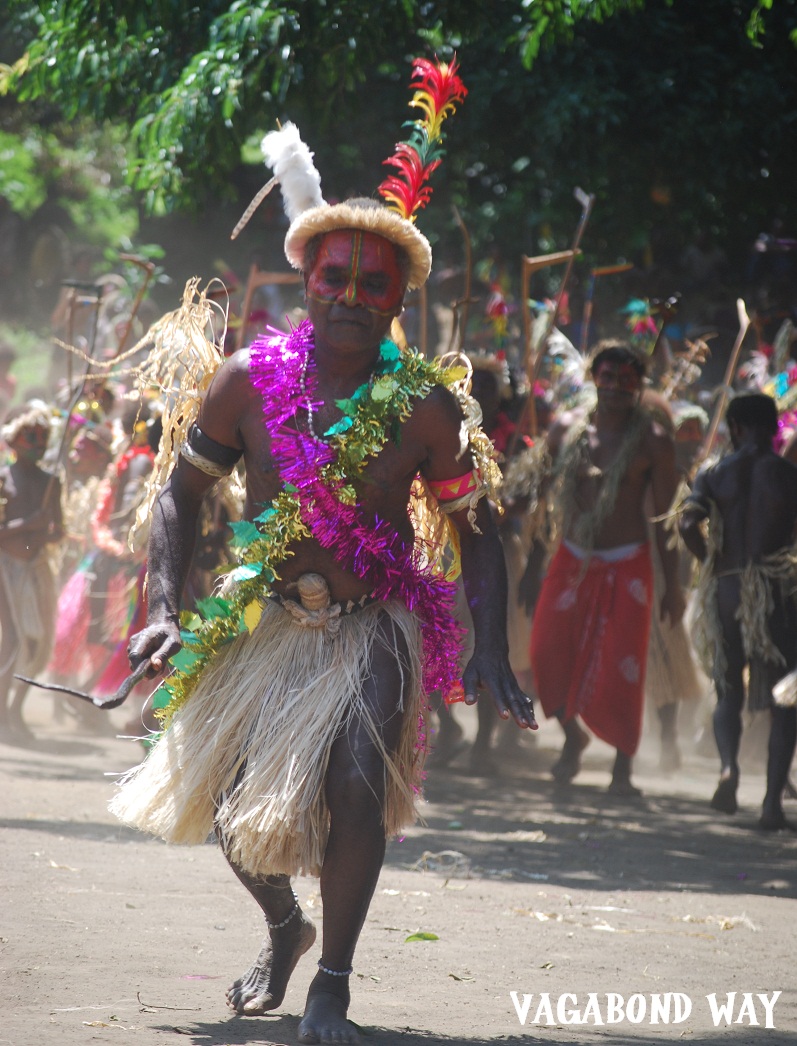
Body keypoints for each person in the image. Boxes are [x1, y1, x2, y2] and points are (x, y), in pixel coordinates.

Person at [108, 183, 535, 1042]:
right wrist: (162, 603)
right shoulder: (243, 382)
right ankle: (284, 929)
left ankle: (331, 984)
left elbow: (478, 530)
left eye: (371, 285)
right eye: (332, 277)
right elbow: (178, 495)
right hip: (263, 620)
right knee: (225, 803)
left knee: (353, 783)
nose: (348, 298)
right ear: (305, 282)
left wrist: (490, 647)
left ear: (399, 301)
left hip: (373, 623)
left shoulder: (423, 405)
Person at [526, 341, 685, 795]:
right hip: (574, 556)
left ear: (639, 386)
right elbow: (534, 496)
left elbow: (667, 518)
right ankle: (573, 737)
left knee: (623, 663)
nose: (615, 387)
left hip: (628, 562)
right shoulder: (566, 429)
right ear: (594, 378)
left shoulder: (654, 442)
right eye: (608, 377)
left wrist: (673, 586)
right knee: (545, 652)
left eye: (626, 380)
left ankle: (622, 768)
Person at [679, 392, 797, 830]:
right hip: (775, 592)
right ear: (771, 429)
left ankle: (728, 768)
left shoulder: (714, 473)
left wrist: (712, 562)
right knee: (786, 699)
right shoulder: (787, 474)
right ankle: (771, 805)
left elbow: (688, 523)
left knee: (728, 688)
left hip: (728, 588)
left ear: (736, 428)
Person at [0, 402, 63, 736]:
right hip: (5, 570)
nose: (38, 444)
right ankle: (3, 717)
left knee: (38, 644)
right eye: (30, 437)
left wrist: (49, 529)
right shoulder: (2, 480)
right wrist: (29, 523)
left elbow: (59, 531)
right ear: (13, 441)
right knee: (13, 641)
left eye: (43, 437)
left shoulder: (52, 483)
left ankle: (14, 711)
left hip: (36, 567)